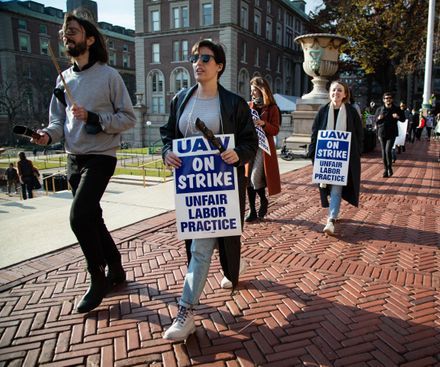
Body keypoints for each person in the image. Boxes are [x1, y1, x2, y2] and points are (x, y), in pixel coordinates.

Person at [32, 9, 136, 313]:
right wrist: (45, 136)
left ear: (89, 39)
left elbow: (127, 117)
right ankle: (116, 268)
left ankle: (97, 277)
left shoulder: (109, 75)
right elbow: (56, 123)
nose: (67, 36)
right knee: (93, 217)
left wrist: (94, 117)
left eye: (73, 31)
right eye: (65, 32)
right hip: (73, 158)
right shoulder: (61, 78)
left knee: (79, 217)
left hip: (101, 156)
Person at [159, 40, 257, 342]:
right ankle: (225, 274)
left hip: (222, 190)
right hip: (192, 191)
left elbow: (249, 142)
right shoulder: (180, 99)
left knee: (201, 249)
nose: (198, 63)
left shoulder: (234, 103)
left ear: (219, 65)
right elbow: (168, 135)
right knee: (195, 248)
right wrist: (166, 153)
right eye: (194, 58)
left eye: (205, 58)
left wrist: (238, 154)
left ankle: (186, 312)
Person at [308, 80, 363, 235]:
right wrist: (312, 152)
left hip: (343, 160)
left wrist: (357, 152)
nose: (336, 93)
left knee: (336, 189)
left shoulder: (351, 112)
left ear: (345, 94)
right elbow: (315, 133)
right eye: (333, 90)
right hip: (324, 159)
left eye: (339, 90)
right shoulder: (323, 111)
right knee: (329, 188)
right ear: (329, 93)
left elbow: (359, 134)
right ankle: (334, 211)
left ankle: (331, 220)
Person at [245, 76, 281, 222]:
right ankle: (252, 210)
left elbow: (275, 130)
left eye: (254, 91)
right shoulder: (249, 106)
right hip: (249, 145)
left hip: (263, 148)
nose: (252, 94)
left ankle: (263, 200)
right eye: (251, 91)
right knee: (247, 180)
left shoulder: (272, 108)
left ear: (262, 91)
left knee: (255, 177)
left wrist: (263, 123)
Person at [375, 92, 404, 177]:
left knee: (388, 150)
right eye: (386, 98)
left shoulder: (397, 109)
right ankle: (385, 169)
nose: (388, 100)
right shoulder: (379, 109)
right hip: (382, 132)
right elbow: (374, 120)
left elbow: (403, 119)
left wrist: (397, 117)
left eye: (390, 98)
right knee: (383, 151)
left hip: (392, 132)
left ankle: (390, 167)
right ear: (383, 100)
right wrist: (378, 118)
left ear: (392, 99)